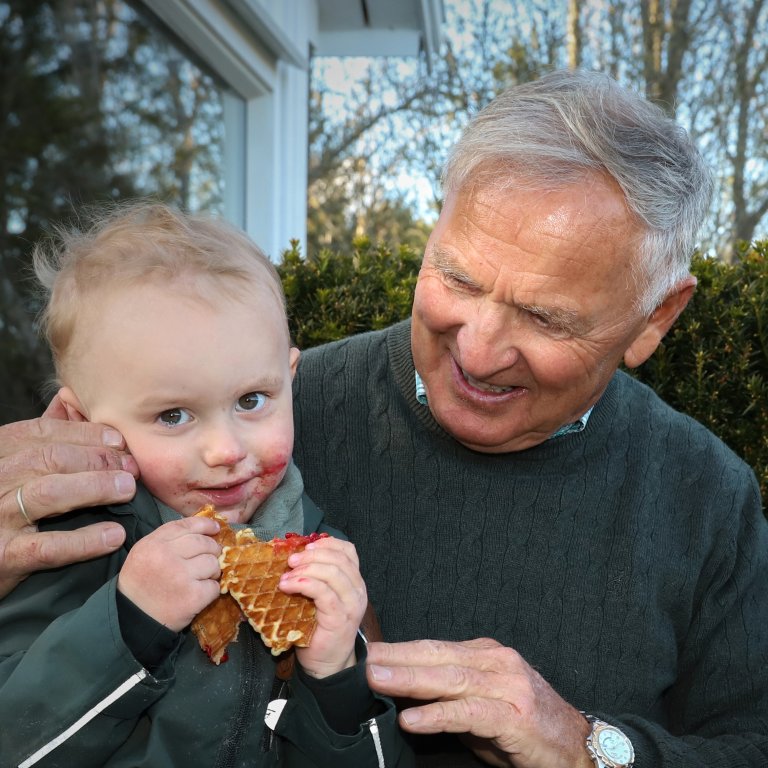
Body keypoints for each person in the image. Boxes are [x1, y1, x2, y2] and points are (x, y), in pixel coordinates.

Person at [1, 68, 767, 768]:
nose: (478, 350)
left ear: (654, 319)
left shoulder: (708, 498)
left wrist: (589, 747)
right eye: (458, 278)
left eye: (545, 317)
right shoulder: (259, 423)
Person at [0, 202, 413, 768]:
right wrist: (129, 625)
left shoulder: (318, 557)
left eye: (251, 400)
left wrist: (337, 681)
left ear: (290, 381)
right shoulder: (68, 544)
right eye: (173, 415)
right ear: (81, 421)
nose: (226, 450)